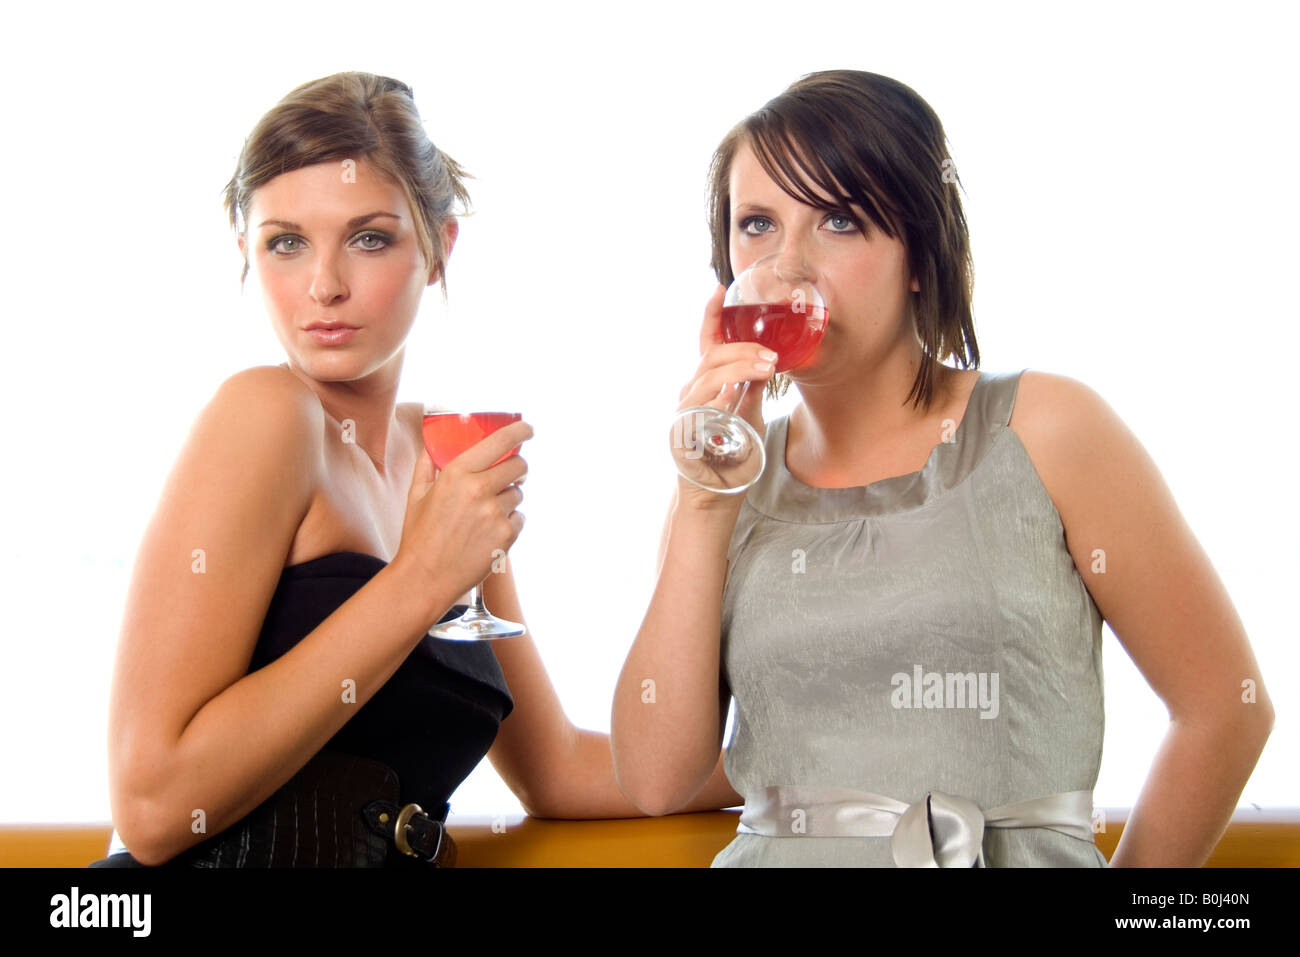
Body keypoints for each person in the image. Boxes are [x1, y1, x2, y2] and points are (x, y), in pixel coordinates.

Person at [610, 69, 1274, 867]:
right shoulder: (724, 482)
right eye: (757, 225)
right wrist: (704, 502)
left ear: (921, 256)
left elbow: (1225, 708)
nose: (788, 266)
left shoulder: (1050, 429)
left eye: (840, 220)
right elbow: (654, 777)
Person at [91, 71, 735, 868]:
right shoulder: (266, 416)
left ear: (438, 247)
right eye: (285, 242)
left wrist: (806, 770)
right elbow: (154, 806)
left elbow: (558, 770)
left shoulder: (446, 463)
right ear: (247, 255)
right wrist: (421, 577)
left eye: (369, 237)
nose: (324, 284)